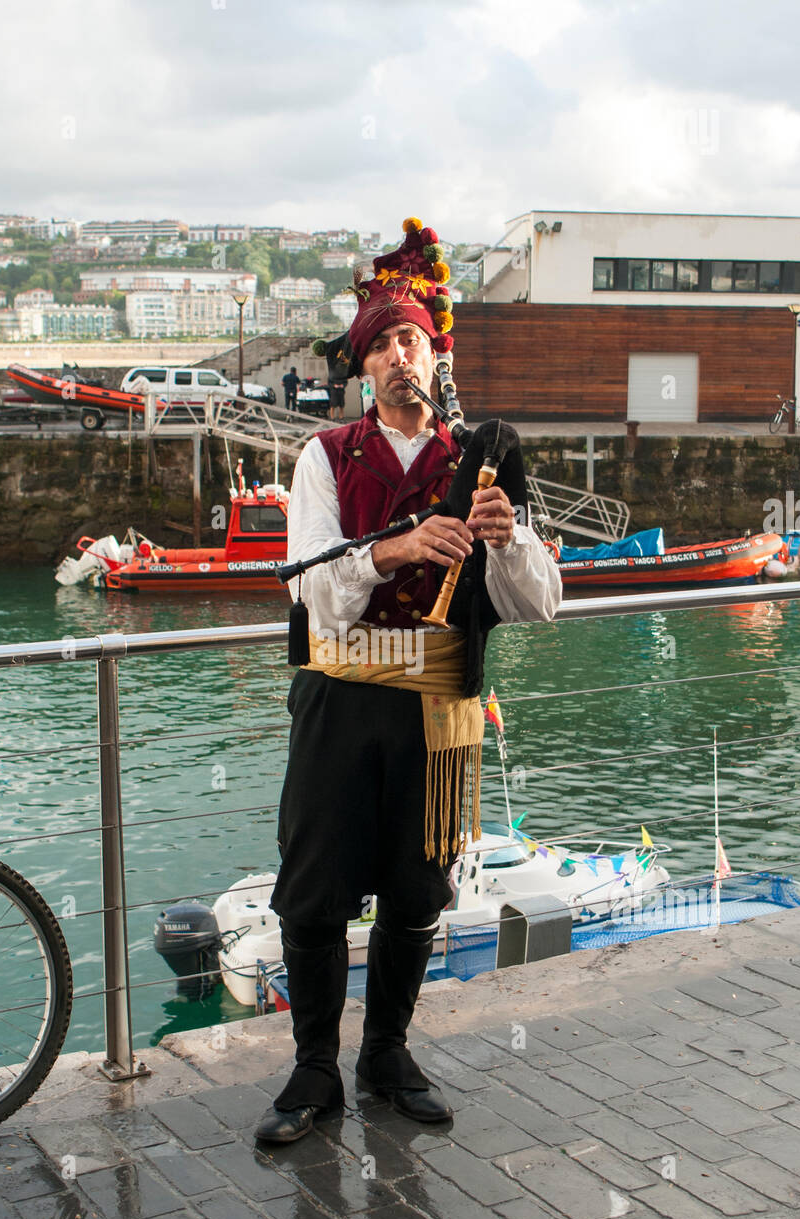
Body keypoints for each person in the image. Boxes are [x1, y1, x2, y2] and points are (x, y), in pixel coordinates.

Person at [254, 217, 562, 1144]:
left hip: (439, 708)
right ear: (363, 367)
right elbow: (310, 584)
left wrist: (503, 542)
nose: (399, 356)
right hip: (339, 698)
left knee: (416, 891)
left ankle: (385, 1052)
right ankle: (313, 1071)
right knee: (312, 892)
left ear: (434, 360)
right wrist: (392, 550)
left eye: (413, 340)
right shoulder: (325, 457)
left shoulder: (476, 464)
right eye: (384, 342)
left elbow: (538, 603)